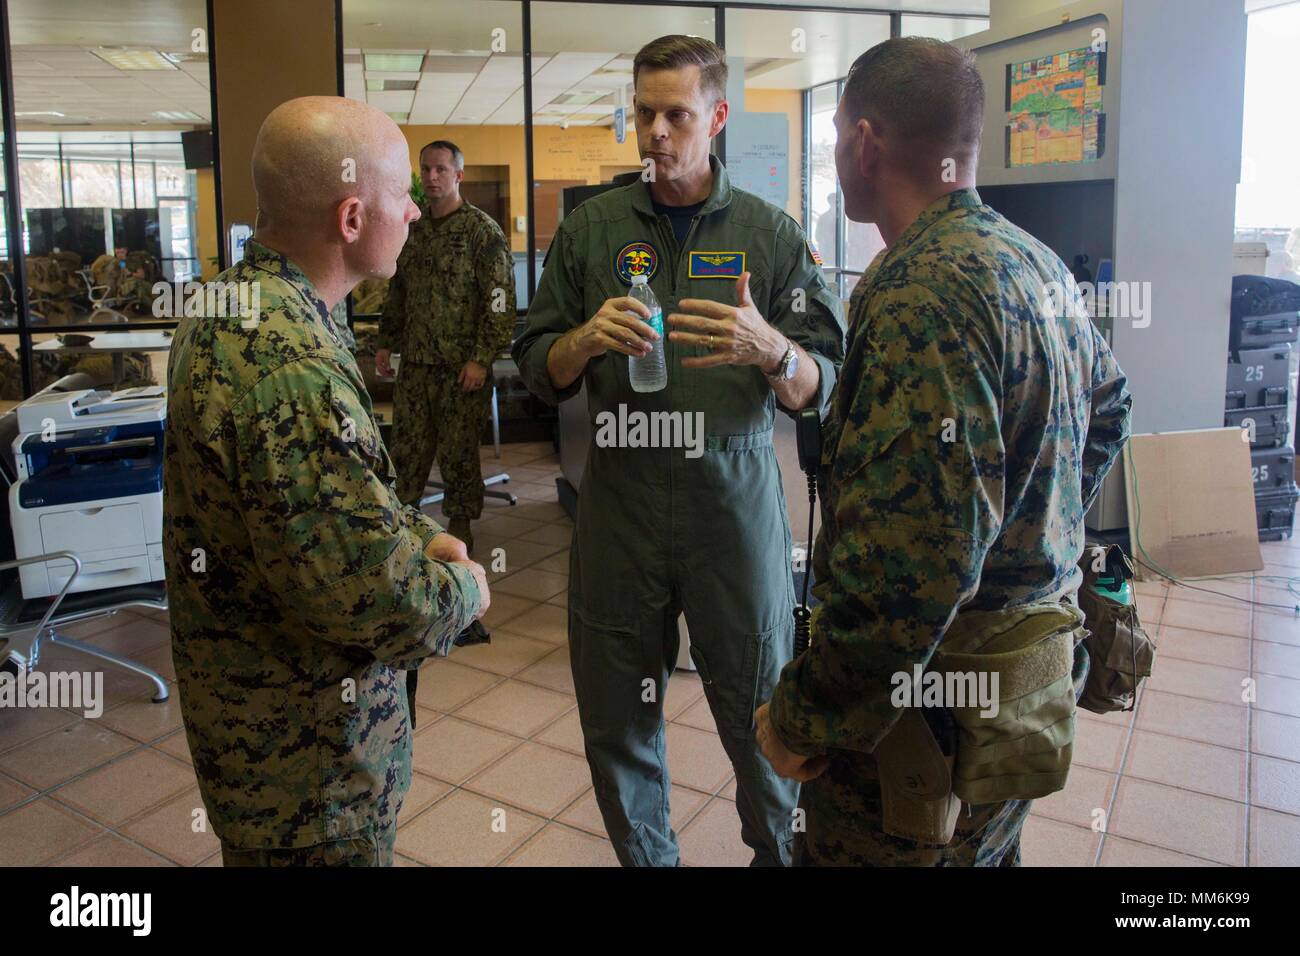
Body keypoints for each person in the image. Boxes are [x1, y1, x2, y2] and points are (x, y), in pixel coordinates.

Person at [755, 37, 1133, 866]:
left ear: (863, 141)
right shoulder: (1032, 262)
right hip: (1021, 695)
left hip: (923, 728)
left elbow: (911, 565)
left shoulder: (916, 292)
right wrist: (1032, 534)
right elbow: (1111, 409)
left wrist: (805, 718)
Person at [513, 34, 844, 867]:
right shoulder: (590, 232)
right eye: (644, 113)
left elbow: (827, 380)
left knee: (763, 711)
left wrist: (775, 351)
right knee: (617, 715)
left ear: (718, 118)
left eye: (677, 114)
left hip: (730, 505)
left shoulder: (770, 237)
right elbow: (535, 363)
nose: (656, 132)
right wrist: (582, 340)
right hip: (621, 501)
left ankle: (779, 854)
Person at [163, 95, 490, 867]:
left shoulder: (241, 302)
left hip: (259, 746)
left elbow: (348, 488)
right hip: (310, 777)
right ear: (351, 219)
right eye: (401, 193)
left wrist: (420, 530)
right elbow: (382, 599)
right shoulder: (293, 369)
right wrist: (466, 588)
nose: (415, 210)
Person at [376, 140, 515, 554]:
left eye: (440, 170)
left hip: (461, 369)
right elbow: (398, 291)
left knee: (458, 454)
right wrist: (386, 341)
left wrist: (480, 358)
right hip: (416, 365)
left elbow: (500, 301)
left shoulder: (481, 232)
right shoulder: (413, 231)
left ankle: (459, 529)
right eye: (426, 170)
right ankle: (402, 529)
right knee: (406, 451)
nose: (432, 178)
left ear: (458, 175)